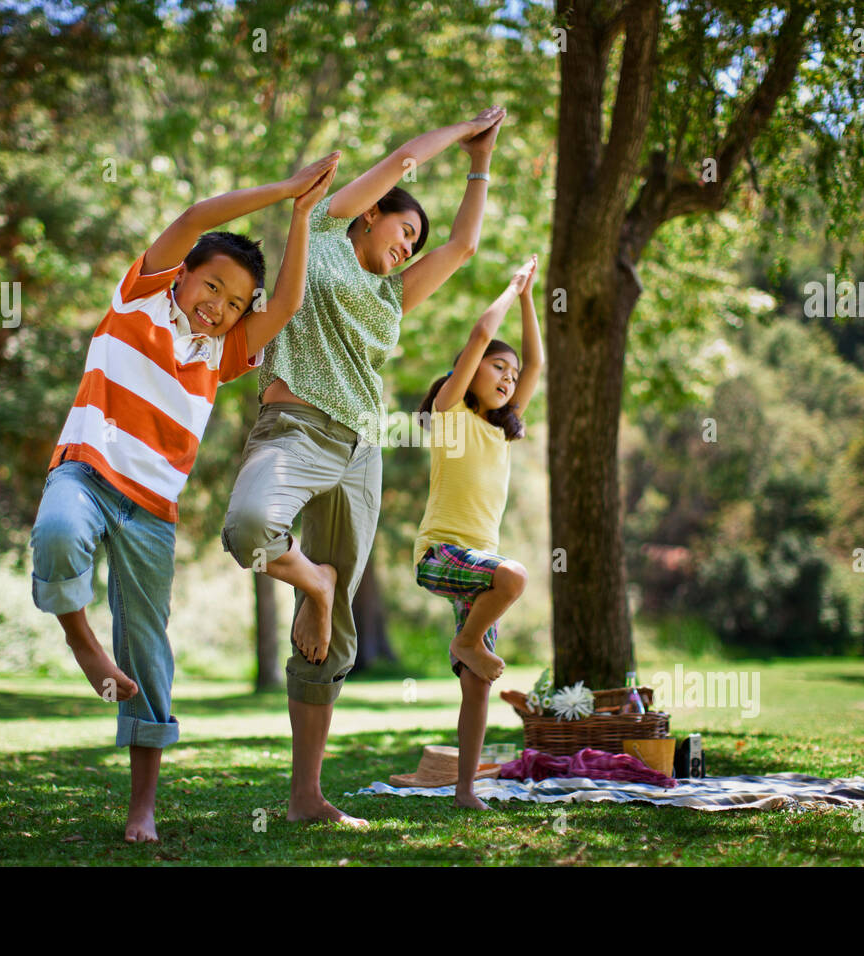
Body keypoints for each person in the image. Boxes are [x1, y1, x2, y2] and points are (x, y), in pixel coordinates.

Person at [29, 152, 340, 842]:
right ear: (184, 274)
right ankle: (82, 642)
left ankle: (142, 809)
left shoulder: (221, 355)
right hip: (85, 472)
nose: (219, 307)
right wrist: (284, 187)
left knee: (146, 652)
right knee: (56, 533)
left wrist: (300, 217)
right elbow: (198, 217)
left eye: (234, 303)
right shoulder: (138, 298)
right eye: (212, 287)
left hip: (152, 514)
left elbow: (284, 304)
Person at [220, 106, 507, 826]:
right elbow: (406, 156)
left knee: (335, 627)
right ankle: (311, 579)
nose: (411, 247)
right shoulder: (318, 234)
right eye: (406, 231)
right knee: (249, 527)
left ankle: (305, 798)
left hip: (359, 449)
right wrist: (466, 131)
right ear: (371, 214)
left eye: (417, 243)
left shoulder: (391, 298)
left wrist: (484, 164)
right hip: (291, 429)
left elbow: (466, 247)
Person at [412, 253, 543, 810]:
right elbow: (481, 331)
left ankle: (466, 789)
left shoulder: (501, 433)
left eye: (510, 376)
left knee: (476, 684)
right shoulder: (451, 415)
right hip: (441, 554)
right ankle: (465, 641)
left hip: (476, 570)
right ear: (471, 372)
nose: (509, 377)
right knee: (513, 577)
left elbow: (536, 364)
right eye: (497, 368)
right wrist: (513, 289)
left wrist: (534, 299)